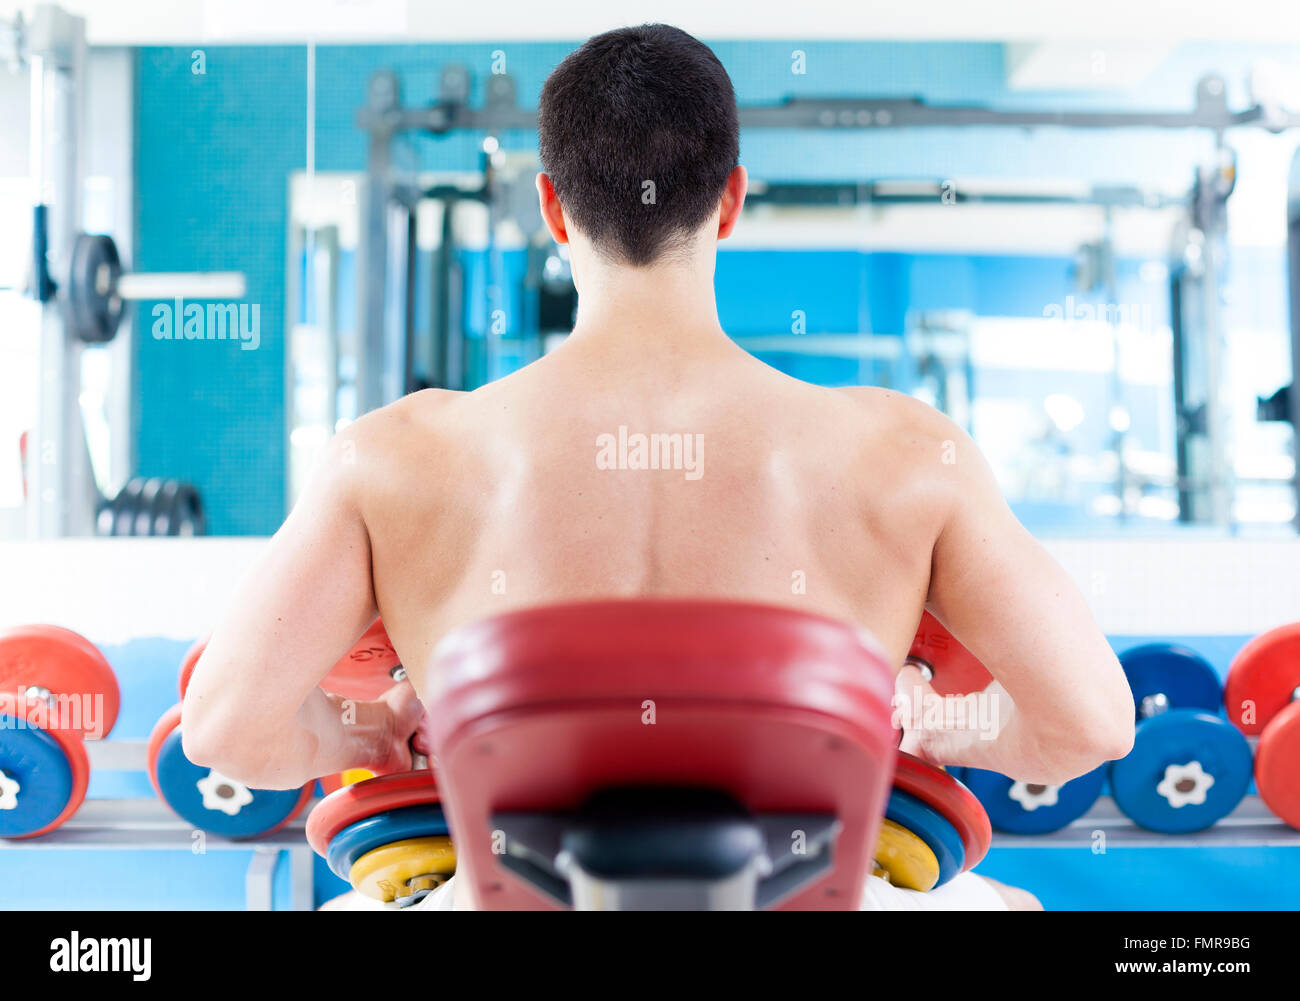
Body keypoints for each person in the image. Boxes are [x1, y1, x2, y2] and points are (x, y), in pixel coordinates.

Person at [182, 23, 1134, 911]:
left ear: (552, 207)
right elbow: (1090, 724)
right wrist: (942, 726)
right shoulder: (904, 454)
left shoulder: (396, 458)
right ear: (731, 200)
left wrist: (370, 732)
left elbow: (226, 732)